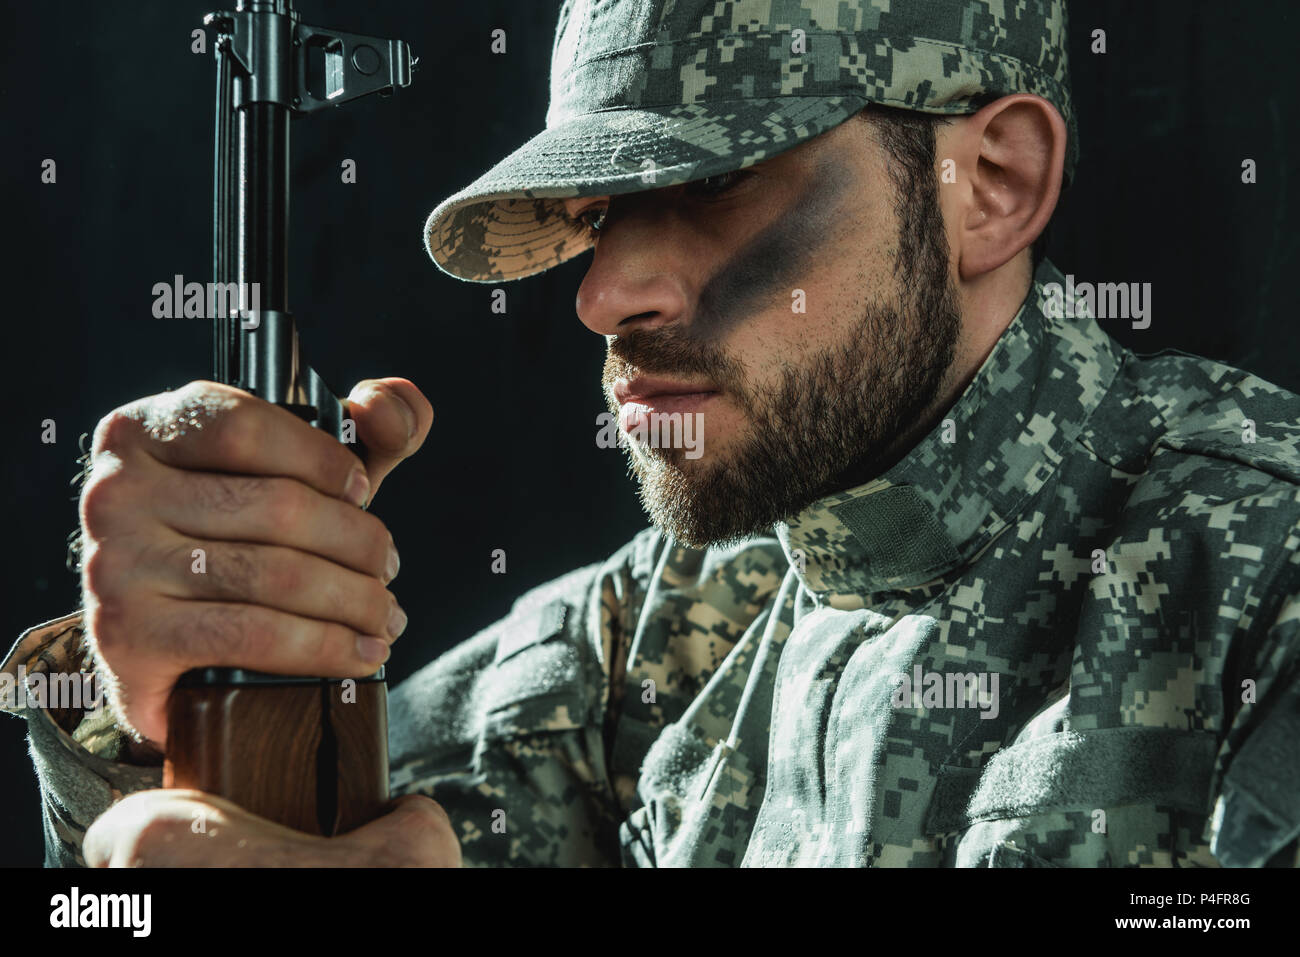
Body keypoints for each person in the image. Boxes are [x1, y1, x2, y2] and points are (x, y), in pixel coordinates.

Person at [5, 0, 1298, 867]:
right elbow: (265, 829)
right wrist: (166, 682)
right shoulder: (666, 626)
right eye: (598, 202)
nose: (601, 292)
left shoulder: (1260, 596)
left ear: (994, 184)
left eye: (715, 175)